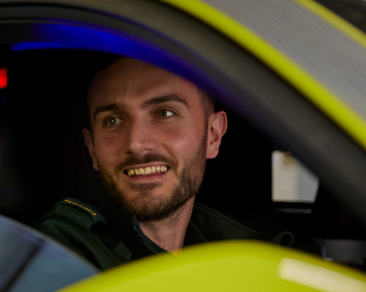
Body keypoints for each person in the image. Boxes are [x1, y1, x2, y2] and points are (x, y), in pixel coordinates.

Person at [36, 55, 281, 270]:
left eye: (164, 113)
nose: (136, 143)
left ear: (213, 135)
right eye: (113, 121)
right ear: (92, 148)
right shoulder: (56, 256)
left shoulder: (245, 261)